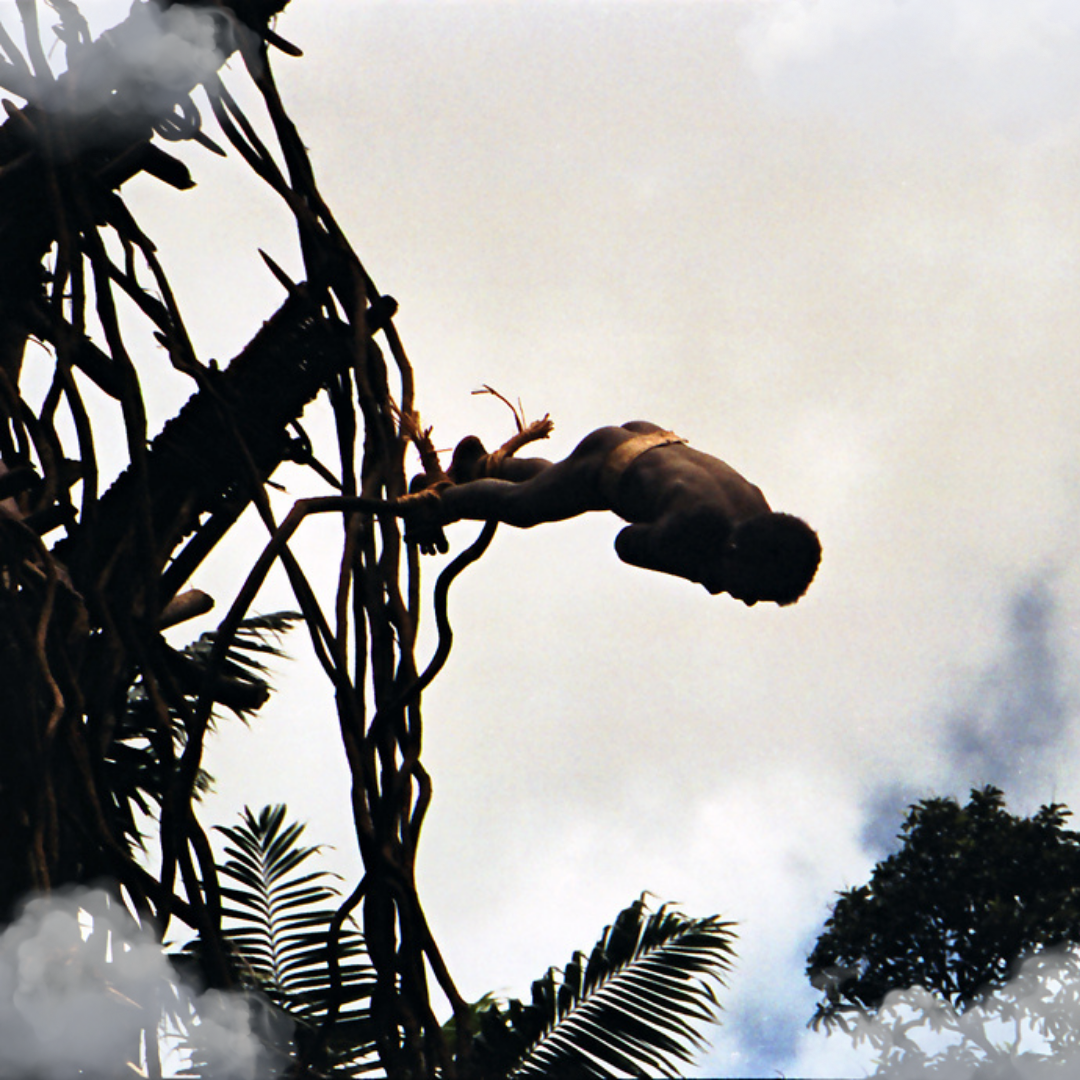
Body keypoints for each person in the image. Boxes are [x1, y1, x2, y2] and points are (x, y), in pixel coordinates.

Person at [401, 420, 821, 606]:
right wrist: (696, 567)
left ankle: (484, 469)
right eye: (752, 591)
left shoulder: (756, 511)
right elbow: (627, 544)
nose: (746, 601)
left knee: (559, 489)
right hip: (612, 465)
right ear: (735, 554)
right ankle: (440, 501)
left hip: (655, 445)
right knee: (523, 507)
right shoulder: (698, 529)